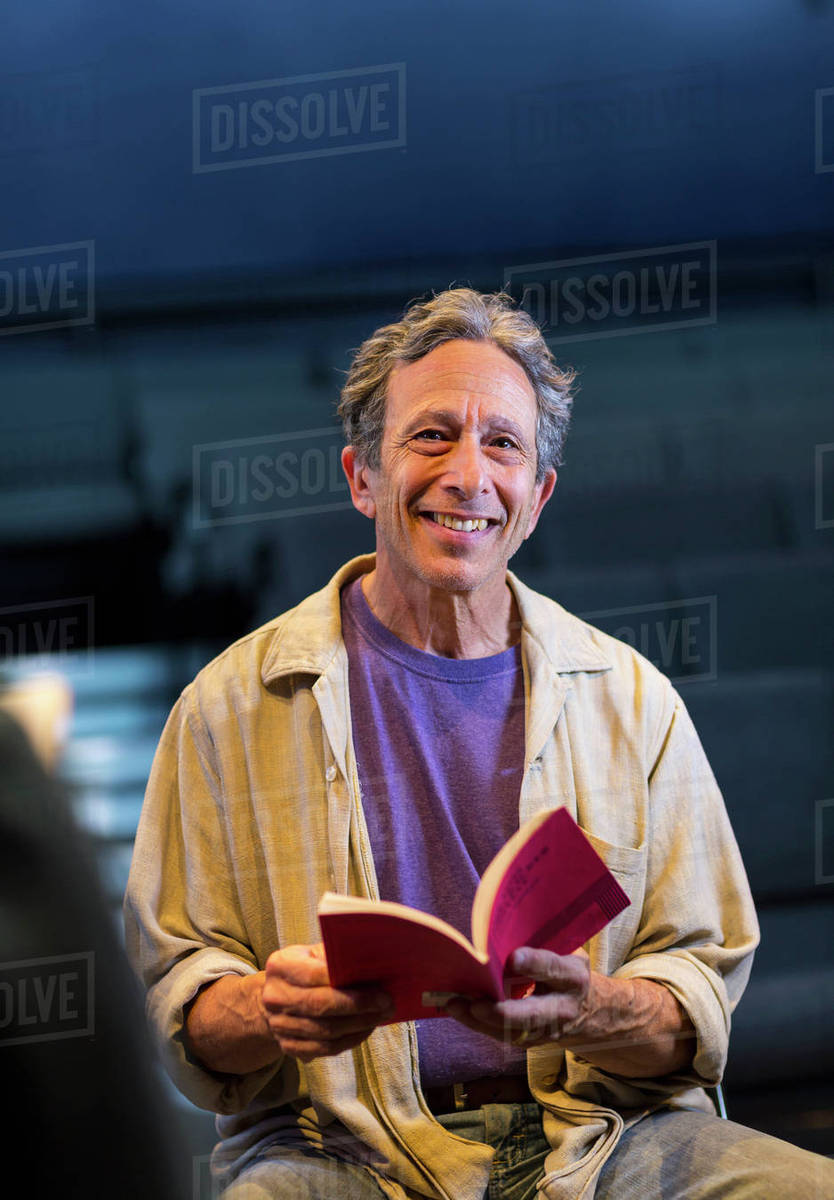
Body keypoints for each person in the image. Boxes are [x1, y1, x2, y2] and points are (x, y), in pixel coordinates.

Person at [124, 289, 833, 1199]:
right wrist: (270, 1009)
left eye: (502, 444)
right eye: (431, 436)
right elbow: (177, 1004)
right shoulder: (228, 707)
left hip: (610, 1136)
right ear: (362, 478)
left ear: (535, 498)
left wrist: (592, 1007)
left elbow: (694, 1009)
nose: (469, 473)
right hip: (338, 1149)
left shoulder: (632, 702)